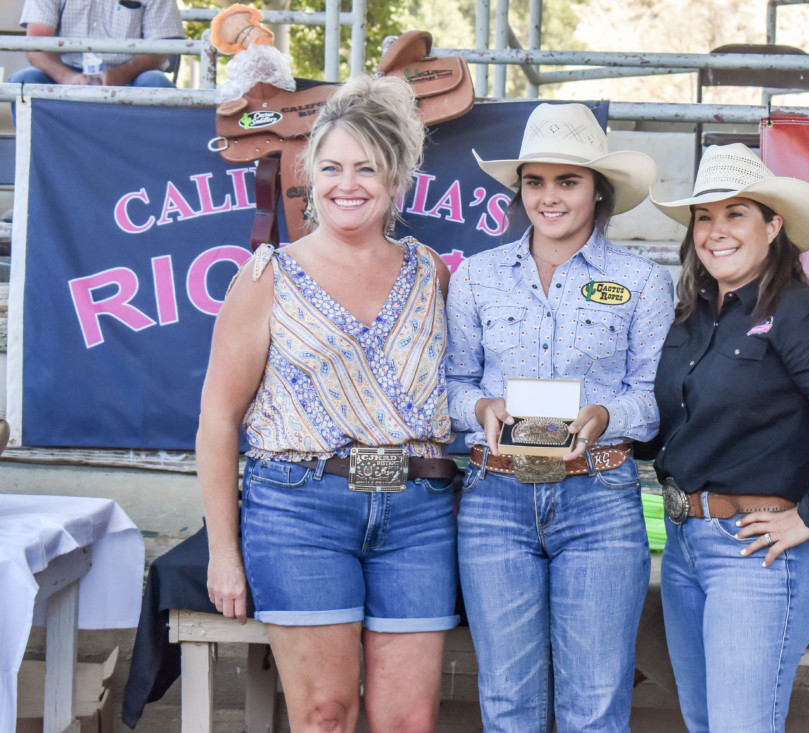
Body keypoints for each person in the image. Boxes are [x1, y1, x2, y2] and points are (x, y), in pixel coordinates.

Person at [196, 74, 458, 733]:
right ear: (309, 174)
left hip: (418, 512)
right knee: (323, 714)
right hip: (298, 510)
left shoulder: (431, 272)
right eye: (333, 166)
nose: (349, 183)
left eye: (367, 167)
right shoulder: (266, 276)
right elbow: (218, 420)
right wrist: (224, 552)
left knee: (409, 720)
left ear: (395, 178)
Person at [649, 143, 809, 733]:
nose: (715, 231)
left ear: (773, 225)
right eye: (704, 216)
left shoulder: (801, 313)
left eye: (735, 214)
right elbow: (674, 428)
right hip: (685, 545)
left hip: (757, 553)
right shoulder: (691, 319)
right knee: (705, 721)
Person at [446, 102, 675, 732]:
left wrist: (605, 413)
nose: (549, 197)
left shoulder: (640, 281)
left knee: (596, 705)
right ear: (519, 190)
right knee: (507, 701)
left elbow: (655, 399)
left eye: (567, 181)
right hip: (495, 497)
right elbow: (450, 384)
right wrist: (481, 406)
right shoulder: (477, 278)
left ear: (598, 190)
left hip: (599, 497)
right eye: (535, 181)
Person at [12, 0, 183, 89]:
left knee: (155, 83)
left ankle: (147, 156)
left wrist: (120, 74)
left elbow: (161, 49)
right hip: (62, 74)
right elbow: (36, 45)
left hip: (132, 77)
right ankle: (37, 155)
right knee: (25, 80)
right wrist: (68, 78)